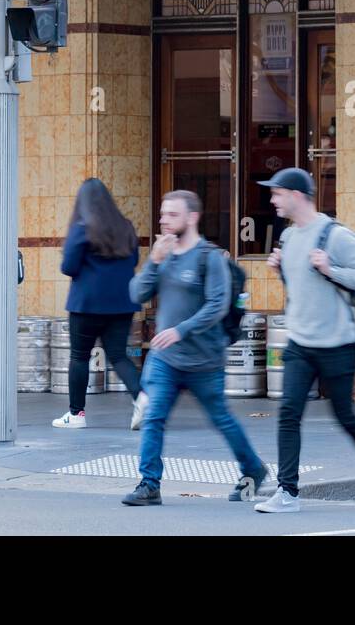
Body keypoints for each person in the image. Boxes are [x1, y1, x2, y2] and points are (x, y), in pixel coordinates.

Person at [253, 167, 355, 514]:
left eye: (277, 193)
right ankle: (287, 493)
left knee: (344, 415)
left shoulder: (336, 236)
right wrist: (281, 271)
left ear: (296, 196)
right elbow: (303, 289)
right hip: (300, 343)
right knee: (288, 414)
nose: (272, 200)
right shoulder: (288, 237)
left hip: (337, 343)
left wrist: (331, 269)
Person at [121, 190, 267, 506]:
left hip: (204, 359)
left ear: (192, 218)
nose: (164, 220)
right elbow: (136, 294)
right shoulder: (163, 255)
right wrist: (153, 262)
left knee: (222, 420)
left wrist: (180, 330)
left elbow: (217, 305)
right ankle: (149, 484)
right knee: (153, 417)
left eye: (172, 214)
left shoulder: (209, 258)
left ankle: (253, 469)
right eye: (163, 214)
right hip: (165, 359)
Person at [53, 178, 149, 431]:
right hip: (122, 304)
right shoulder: (126, 227)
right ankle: (141, 397)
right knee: (118, 355)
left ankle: (76, 414)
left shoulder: (82, 228)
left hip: (86, 304)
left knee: (79, 357)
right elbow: (134, 261)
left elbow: (69, 267)